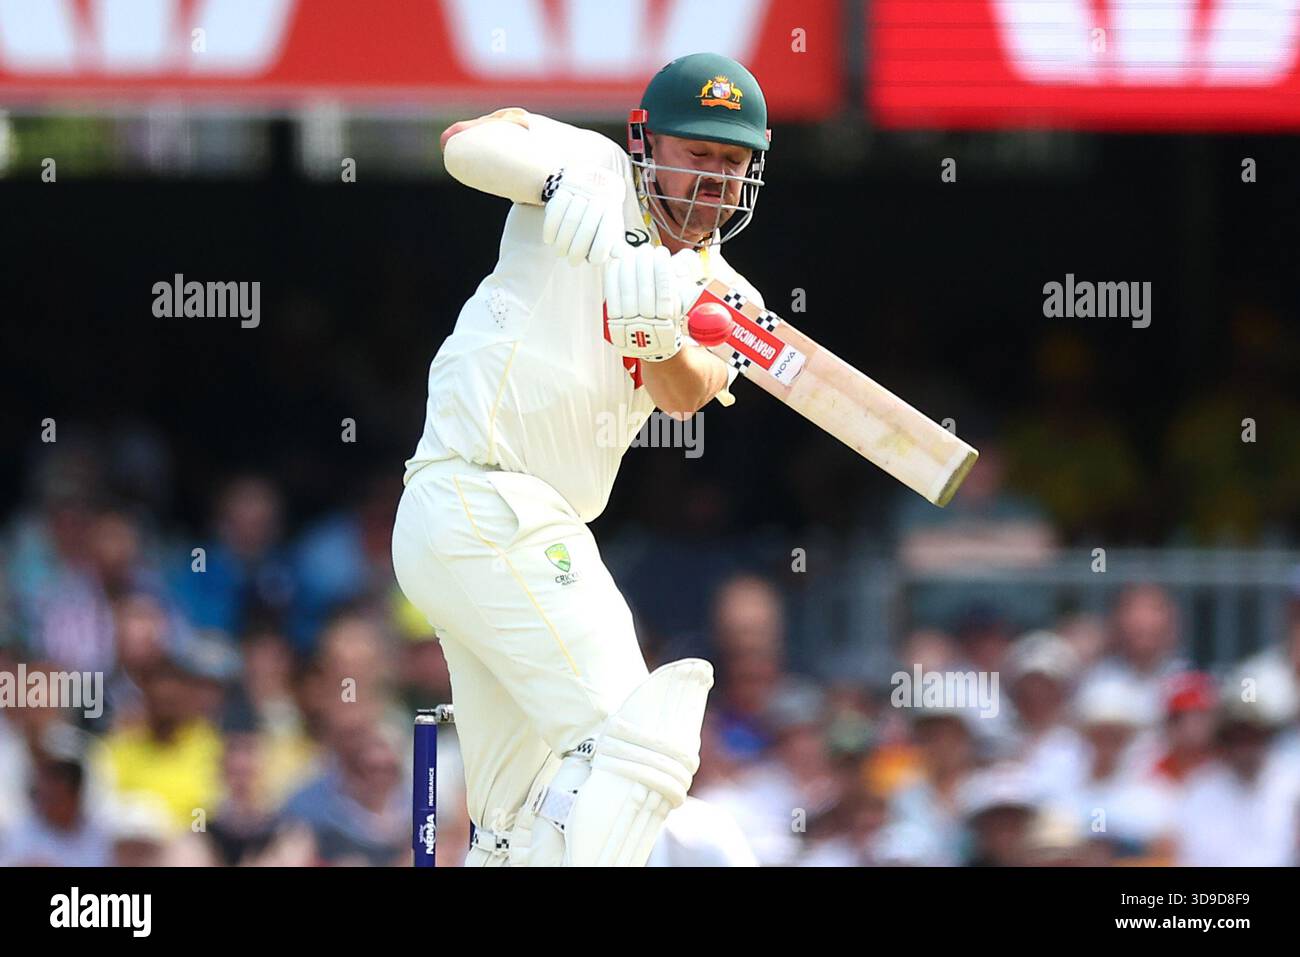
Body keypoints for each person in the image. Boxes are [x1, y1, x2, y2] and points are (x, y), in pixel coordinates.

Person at [391, 52, 772, 866]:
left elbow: (688, 391)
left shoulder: (727, 293)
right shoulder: (590, 164)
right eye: (697, 155)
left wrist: (657, 331)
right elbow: (465, 143)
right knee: (636, 748)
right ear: (647, 143)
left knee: (514, 814)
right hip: (480, 497)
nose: (714, 179)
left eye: (732, 163)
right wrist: (567, 192)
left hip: (517, 531)